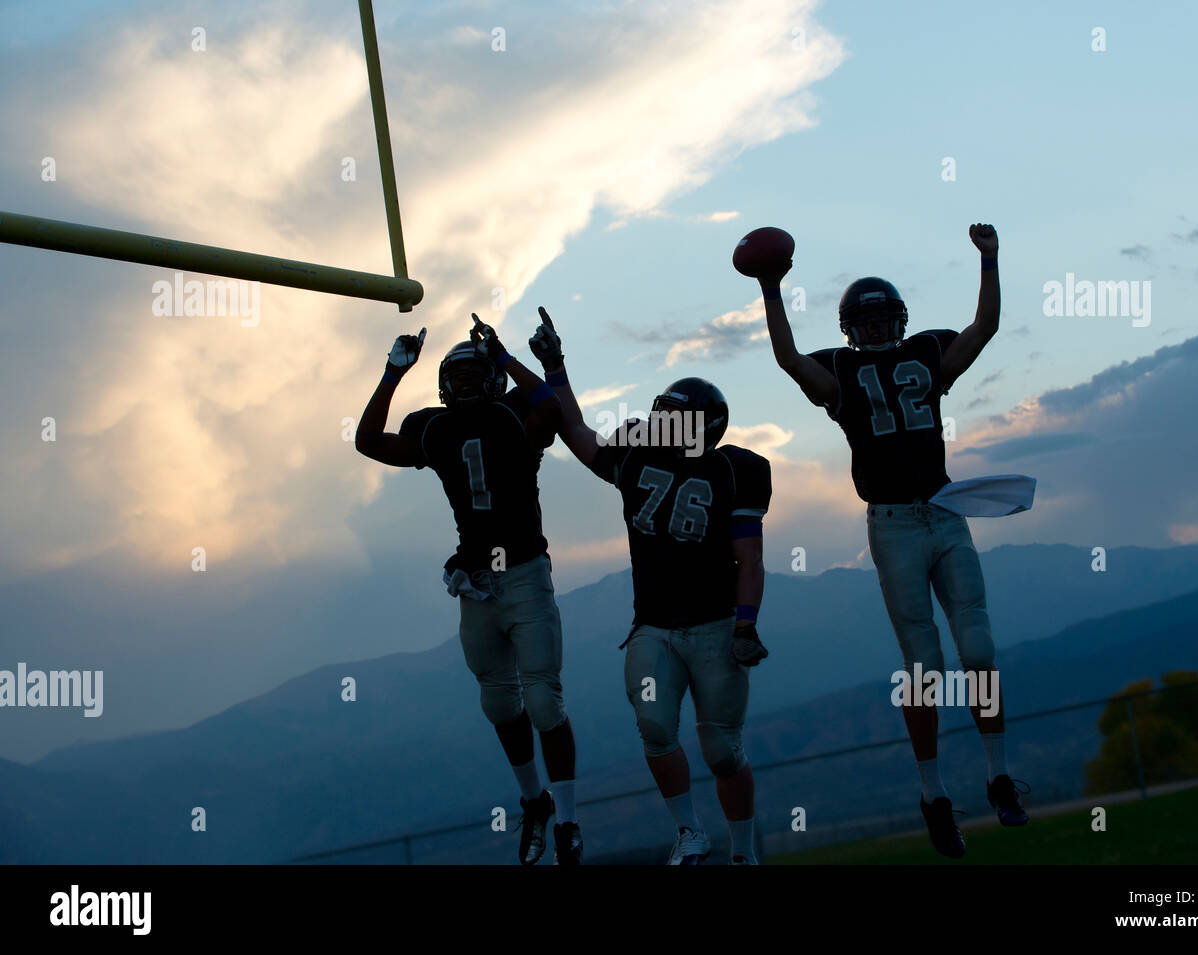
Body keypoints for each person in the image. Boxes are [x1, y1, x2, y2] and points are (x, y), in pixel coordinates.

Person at [753, 224, 1028, 858]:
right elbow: (790, 361)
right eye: (866, 320)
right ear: (850, 327)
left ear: (899, 320)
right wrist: (771, 293)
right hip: (893, 524)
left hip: (944, 510)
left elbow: (982, 328)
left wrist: (989, 261)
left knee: (979, 650)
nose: (877, 328)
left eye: (884, 318)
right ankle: (933, 796)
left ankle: (999, 776)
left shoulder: (928, 353)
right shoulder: (839, 370)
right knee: (925, 670)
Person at [530, 308, 772, 865]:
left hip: (714, 624)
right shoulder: (636, 456)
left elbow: (749, 557)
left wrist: (746, 622)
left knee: (721, 749)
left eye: (677, 420)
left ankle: (743, 853)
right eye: (662, 415)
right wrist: (555, 366)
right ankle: (689, 832)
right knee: (655, 726)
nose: (663, 426)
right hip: (653, 627)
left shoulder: (736, 471)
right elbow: (576, 432)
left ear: (706, 428)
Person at [354, 317, 583, 865]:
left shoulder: (512, 416)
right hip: (476, 582)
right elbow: (366, 441)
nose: (462, 383)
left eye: (473, 373)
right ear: (441, 384)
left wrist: (506, 357)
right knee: (498, 701)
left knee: (545, 700)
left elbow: (552, 409)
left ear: (493, 380)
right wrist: (392, 372)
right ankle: (535, 801)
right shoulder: (433, 429)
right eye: (454, 375)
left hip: (525, 571)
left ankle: (569, 821)